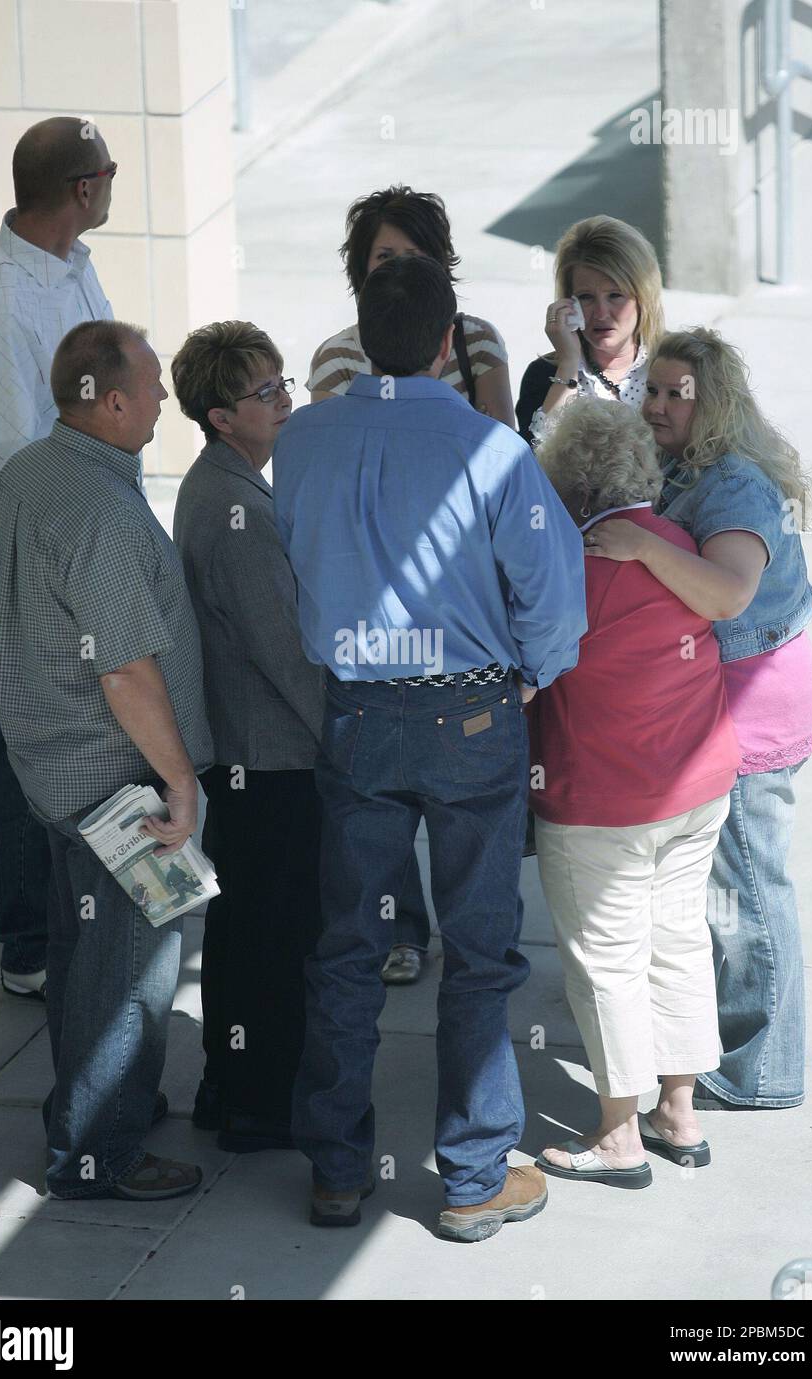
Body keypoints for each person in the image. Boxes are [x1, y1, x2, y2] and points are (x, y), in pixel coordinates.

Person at [274, 253, 587, 1240]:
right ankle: (472, 1175)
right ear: (453, 341)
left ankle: (334, 1169)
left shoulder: (304, 439)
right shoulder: (492, 449)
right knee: (481, 950)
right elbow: (552, 596)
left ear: (360, 339)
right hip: (470, 716)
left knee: (348, 945)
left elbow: (297, 563)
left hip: (357, 713)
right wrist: (529, 674)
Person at [0, 319, 213, 1200]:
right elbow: (124, 667)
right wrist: (182, 781)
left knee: (87, 963)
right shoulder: (99, 511)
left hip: (53, 766)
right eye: (153, 384)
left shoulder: (33, 470)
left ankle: (93, 1109)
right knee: (128, 974)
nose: (163, 396)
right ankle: (98, 1153)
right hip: (115, 786)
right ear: (111, 400)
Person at [585, 328, 812, 1111]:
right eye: (649, 389)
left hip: (755, 704)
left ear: (710, 403)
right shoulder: (690, 465)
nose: (654, 404)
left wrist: (639, 548)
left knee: (749, 891)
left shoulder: (733, 486)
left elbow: (727, 594)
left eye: (673, 394)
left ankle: (763, 1073)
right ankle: (737, 1049)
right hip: (734, 695)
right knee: (733, 887)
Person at [527, 398, 740, 1187]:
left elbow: (527, 674)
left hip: (600, 798)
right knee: (677, 937)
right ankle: (677, 1114)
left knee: (607, 961)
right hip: (695, 784)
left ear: (569, 485)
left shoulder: (568, 567)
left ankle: (617, 1136)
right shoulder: (680, 543)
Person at [309, 186, 515, 984]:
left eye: (413, 257)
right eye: (383, 258)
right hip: (377, 614)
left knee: (452, 822)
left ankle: (465, 946)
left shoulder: (477, 343)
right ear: (360, 271)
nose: (397, 269)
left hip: (462, 604)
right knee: (380, 821)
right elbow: (339, 469)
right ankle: (401, 931)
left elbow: (504, 451)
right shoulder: (337, 356)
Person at [0, 117, 116, 1002]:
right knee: (25, 744)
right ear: (83, 189)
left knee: (66, 737)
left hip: (86, 539)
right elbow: (21, 463)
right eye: (110, 172)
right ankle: (30, 941)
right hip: (32, 563)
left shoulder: (72, 264)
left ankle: (74, 912)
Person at [171, 320, 325, 1153]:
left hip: (247, 759)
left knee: (243, 931)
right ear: (221, 417)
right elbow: (287, 657)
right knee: (273, 938)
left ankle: (228, 1088)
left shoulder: (224, 485)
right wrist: (343, 742)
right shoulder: (236, 510)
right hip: (268, 763)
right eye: (264, 393)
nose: (284, 402)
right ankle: (259, 1103)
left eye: (282, 383)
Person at [515, 215, 664, 445]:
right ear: (568, 302)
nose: (601, 313)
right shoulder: (543, 375)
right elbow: (537, 458)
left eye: (615, 295)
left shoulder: (673, 365)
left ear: (643, 298)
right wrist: (568, 364)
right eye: (586, 297)